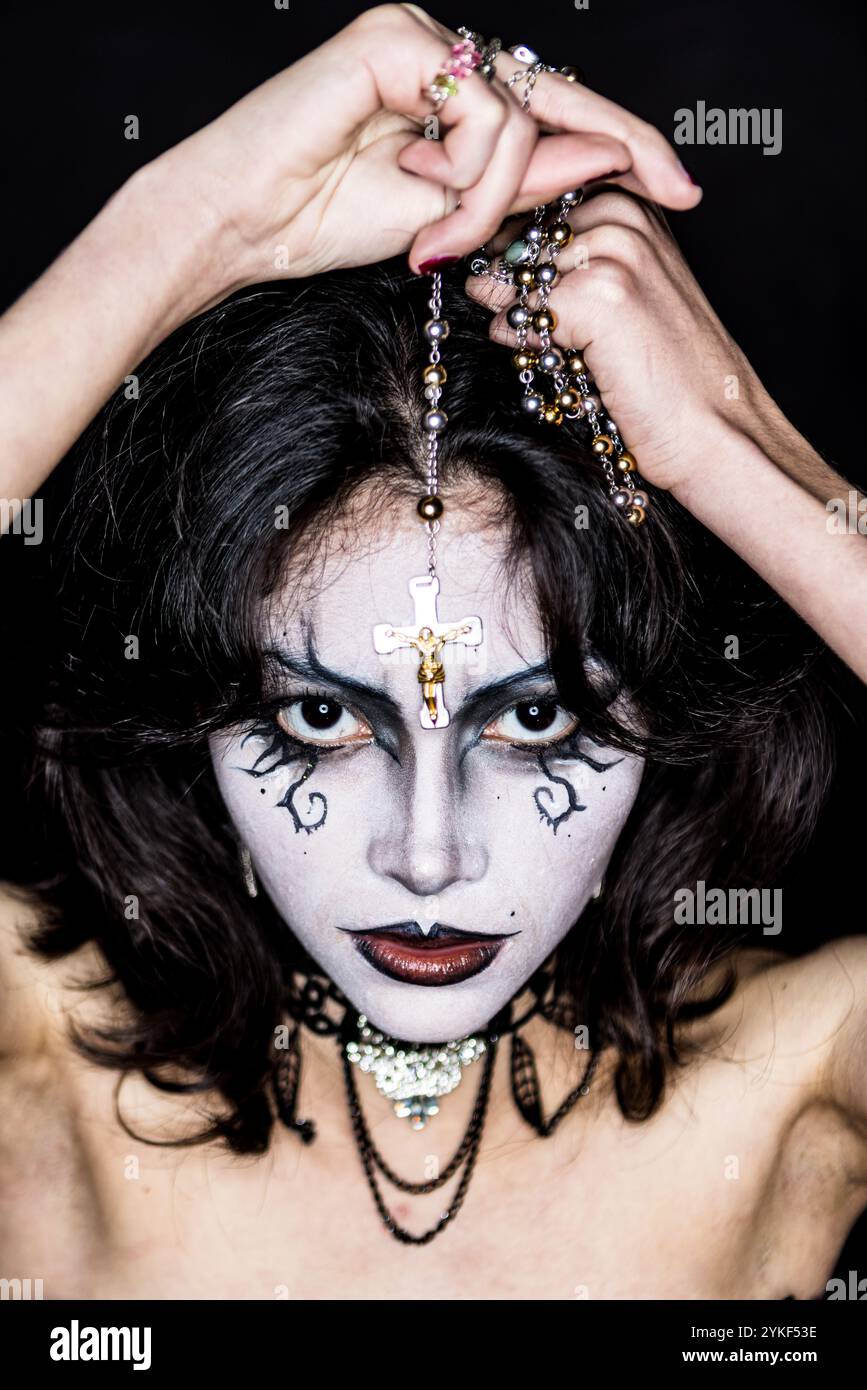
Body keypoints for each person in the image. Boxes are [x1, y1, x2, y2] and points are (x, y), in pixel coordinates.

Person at [1, 4, 866, 1299]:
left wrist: (738, 451)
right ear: (193, 717)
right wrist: (193, 225)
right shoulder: (42, 1066)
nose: (427, 851)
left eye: (533, 722)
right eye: (316, 721)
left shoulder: (802, 1087)